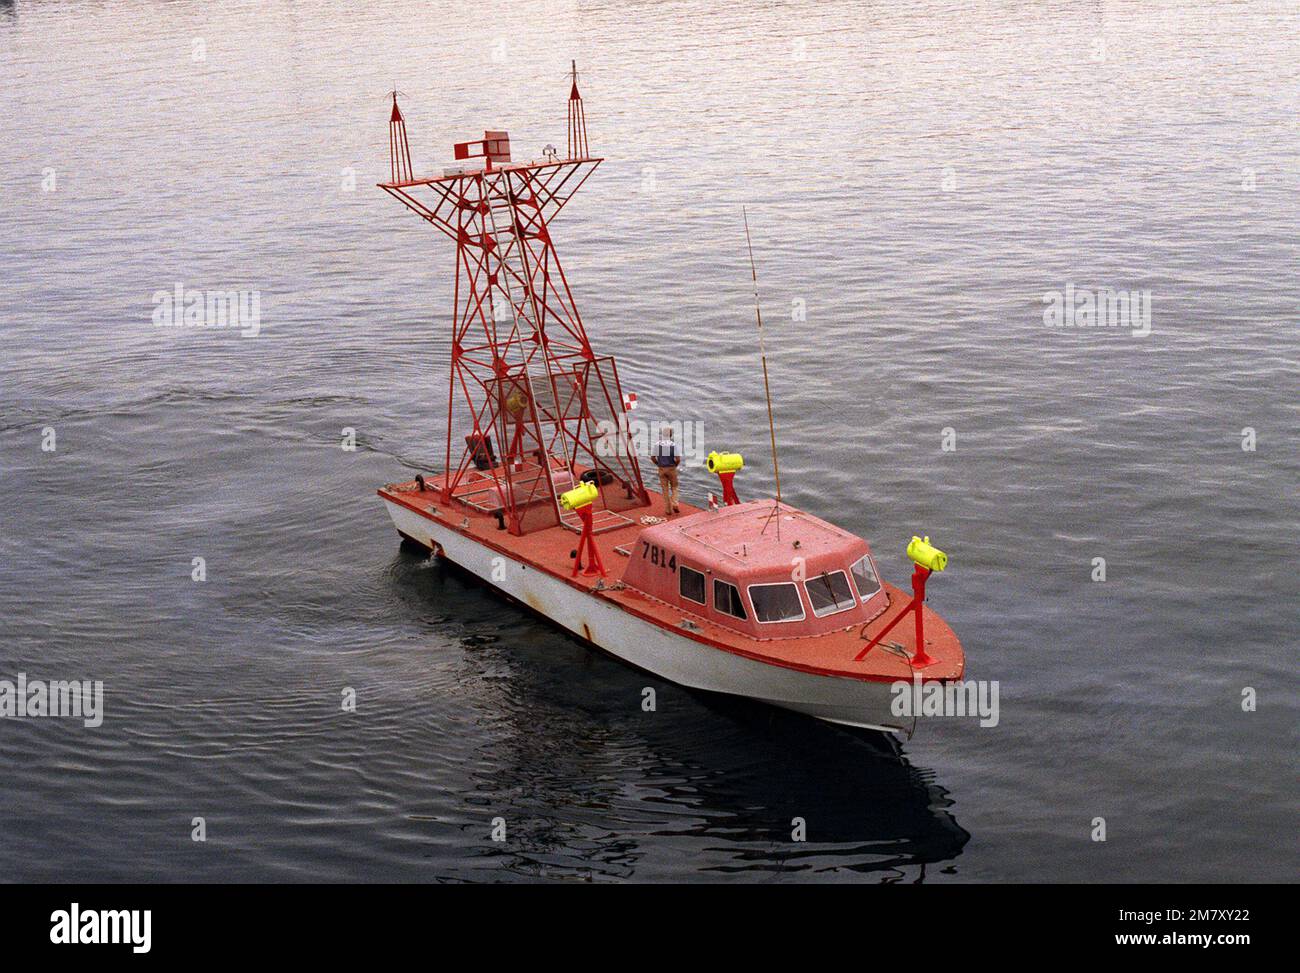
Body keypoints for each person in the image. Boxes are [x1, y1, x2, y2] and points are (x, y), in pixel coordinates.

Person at [651, 426, 682, 515]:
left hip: (661, 469)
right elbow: (678, 459)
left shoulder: (657, 445)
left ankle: (668, 509)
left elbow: (652, 458)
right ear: (671, 435)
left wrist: (658, 464)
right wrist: (675, 465)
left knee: (665, 490)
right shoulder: (673, 445)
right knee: (674, 487)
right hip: (671, 468)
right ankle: (675, 504)